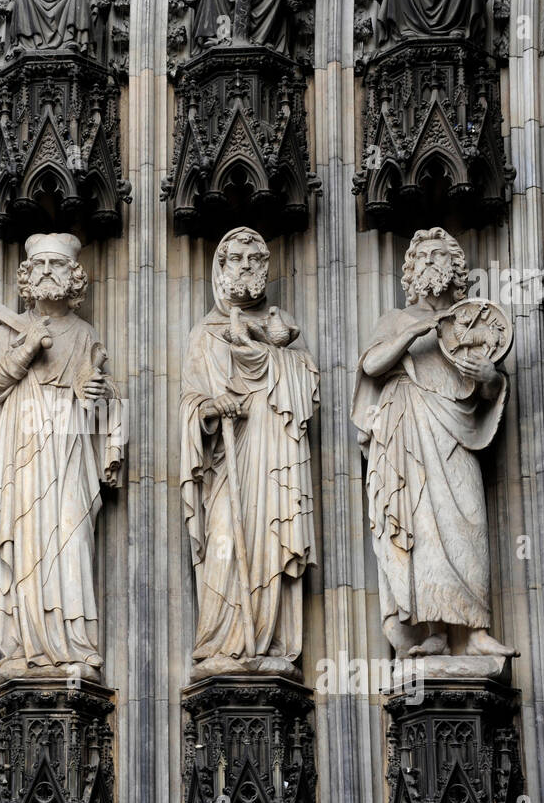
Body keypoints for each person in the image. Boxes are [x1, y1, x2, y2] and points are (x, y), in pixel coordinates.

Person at [351, 227, 517, 661]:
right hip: (406, 433)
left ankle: (477, 630)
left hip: (453, 433)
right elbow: (371, 365)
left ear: (455, 270)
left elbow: (484, 389)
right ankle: (436, 632)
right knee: (421, 531)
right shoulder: (395, 319)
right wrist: (412, 332)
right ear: (410, 272)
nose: (429, 263)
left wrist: (491, 380)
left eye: (438, 255)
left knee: (468, 522)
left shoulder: (471, 323)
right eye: (420, 256)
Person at [0, 232, 123, 681]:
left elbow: (106, 396)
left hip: (68, 449)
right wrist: (25, 349)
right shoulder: (11, 329)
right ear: (27, 278)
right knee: (22, 540)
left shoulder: (85, 333)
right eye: (40, 267)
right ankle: (22, 643)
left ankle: (72, 642)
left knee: (70, 539)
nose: (48, 274)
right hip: (21, 453)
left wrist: (95, 393)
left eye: (58, 266)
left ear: (74, 278)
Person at [180, 227, 319, 677]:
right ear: (219, 269)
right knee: (223, 541)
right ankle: (223, 640)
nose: (244, 267)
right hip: (227, 465)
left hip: (273, 460)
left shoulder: (282, 336)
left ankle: (268, 639)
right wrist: (208, 407)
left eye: (253, 260)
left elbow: (304, 399)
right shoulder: (205, 334)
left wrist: (274, 352)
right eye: (235, 259)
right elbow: (189, 399)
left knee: (269, 540)